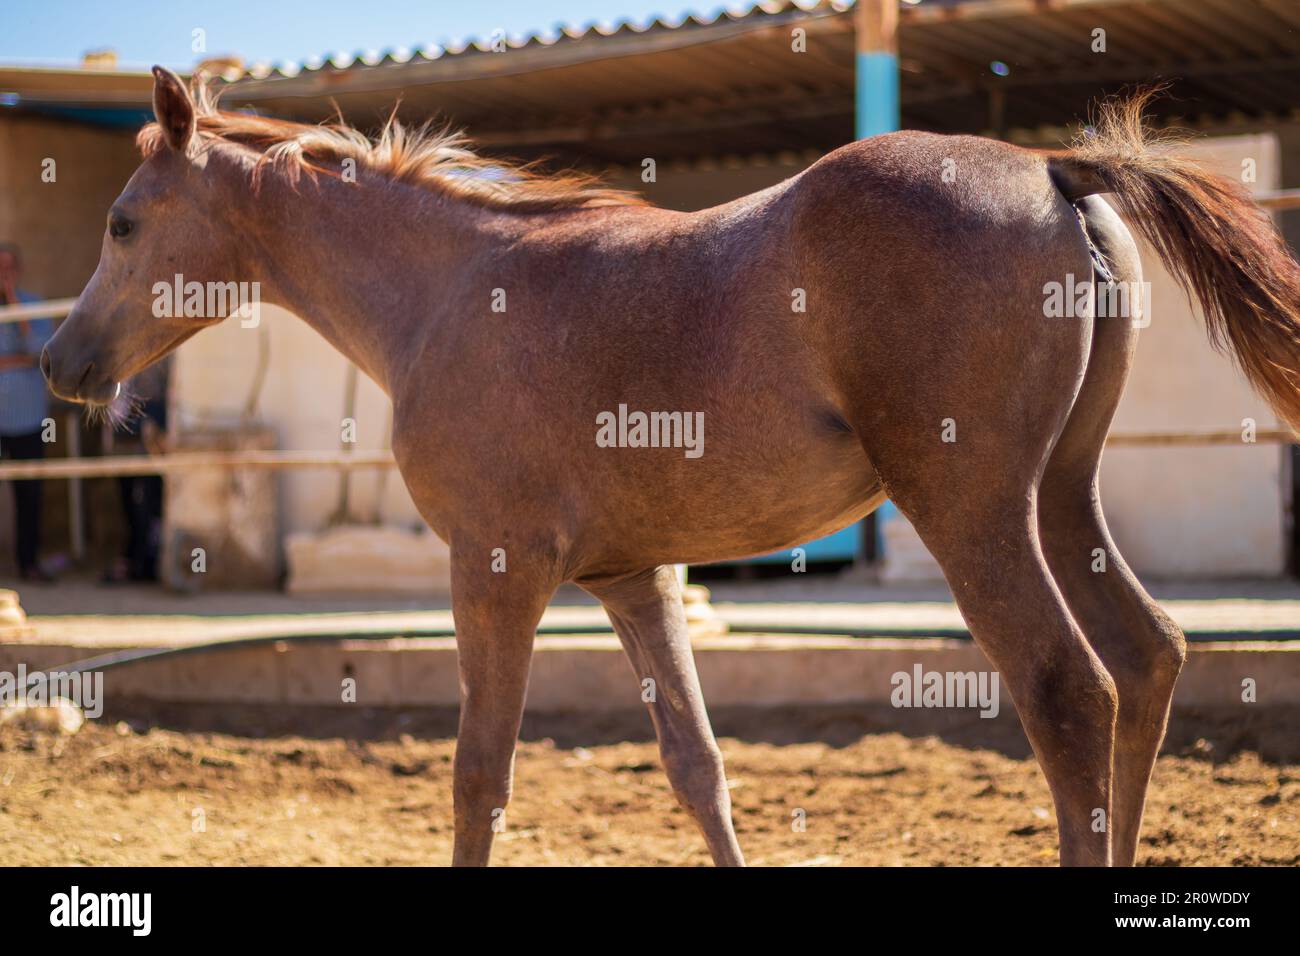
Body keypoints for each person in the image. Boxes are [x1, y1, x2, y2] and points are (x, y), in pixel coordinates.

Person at [0, 242, 55, 583]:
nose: (4, 275)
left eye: (9, 268)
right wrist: (19, 360)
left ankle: (28, 563)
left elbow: (41, 352)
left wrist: (14, 304)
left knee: (30, 496)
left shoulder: (33, 305)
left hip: (29, 417)